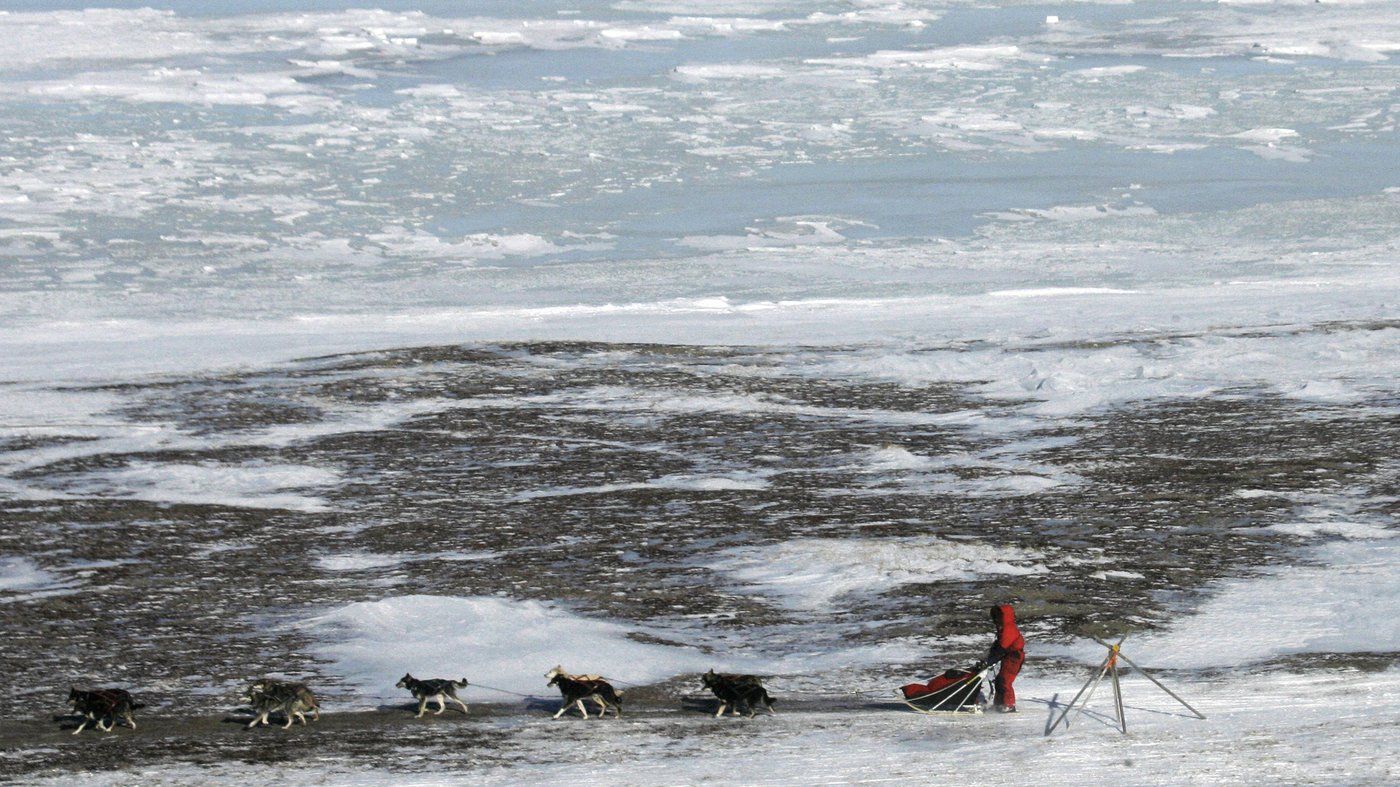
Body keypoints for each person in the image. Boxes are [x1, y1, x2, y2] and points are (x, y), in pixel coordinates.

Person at [984, 604, 1025, 713]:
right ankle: (999, 704)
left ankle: (1008, 705)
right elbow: (999, 645)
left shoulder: (1009, 629)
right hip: (1009, 656)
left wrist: (994, 656)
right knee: (1000, 680)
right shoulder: (1003, 629)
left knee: (1005, 681)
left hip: (1014, 656)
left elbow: (1002, 646)